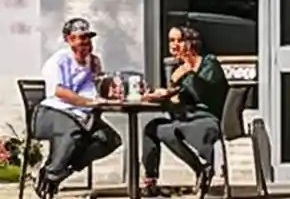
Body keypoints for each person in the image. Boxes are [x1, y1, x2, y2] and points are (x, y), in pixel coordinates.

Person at [32, 18, 122, 199]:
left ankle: (61, 170)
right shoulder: (58, 61)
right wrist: (87, 103)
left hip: (82, 116)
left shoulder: (93, 62)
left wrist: (109, 86)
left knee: (109, 139)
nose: (85, 44)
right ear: (69, 40)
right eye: (80, 39)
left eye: (88, 39)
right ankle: (50, 176)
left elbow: (98, 89)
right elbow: (59, 91)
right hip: (52, 112)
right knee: (73, 133)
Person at [140, 26, 229, 199]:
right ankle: (151, 180)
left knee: (168, 130)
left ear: (191, 43)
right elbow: (180, 100)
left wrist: (189, 70)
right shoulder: (180, 70)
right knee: (152, 128)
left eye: (178, 40)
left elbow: (207, 93)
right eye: (171, 41)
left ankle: (203, 168)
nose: (173, 45)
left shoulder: (209, 62)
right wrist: (163, 94)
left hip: (207, 117)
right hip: (187, 117)